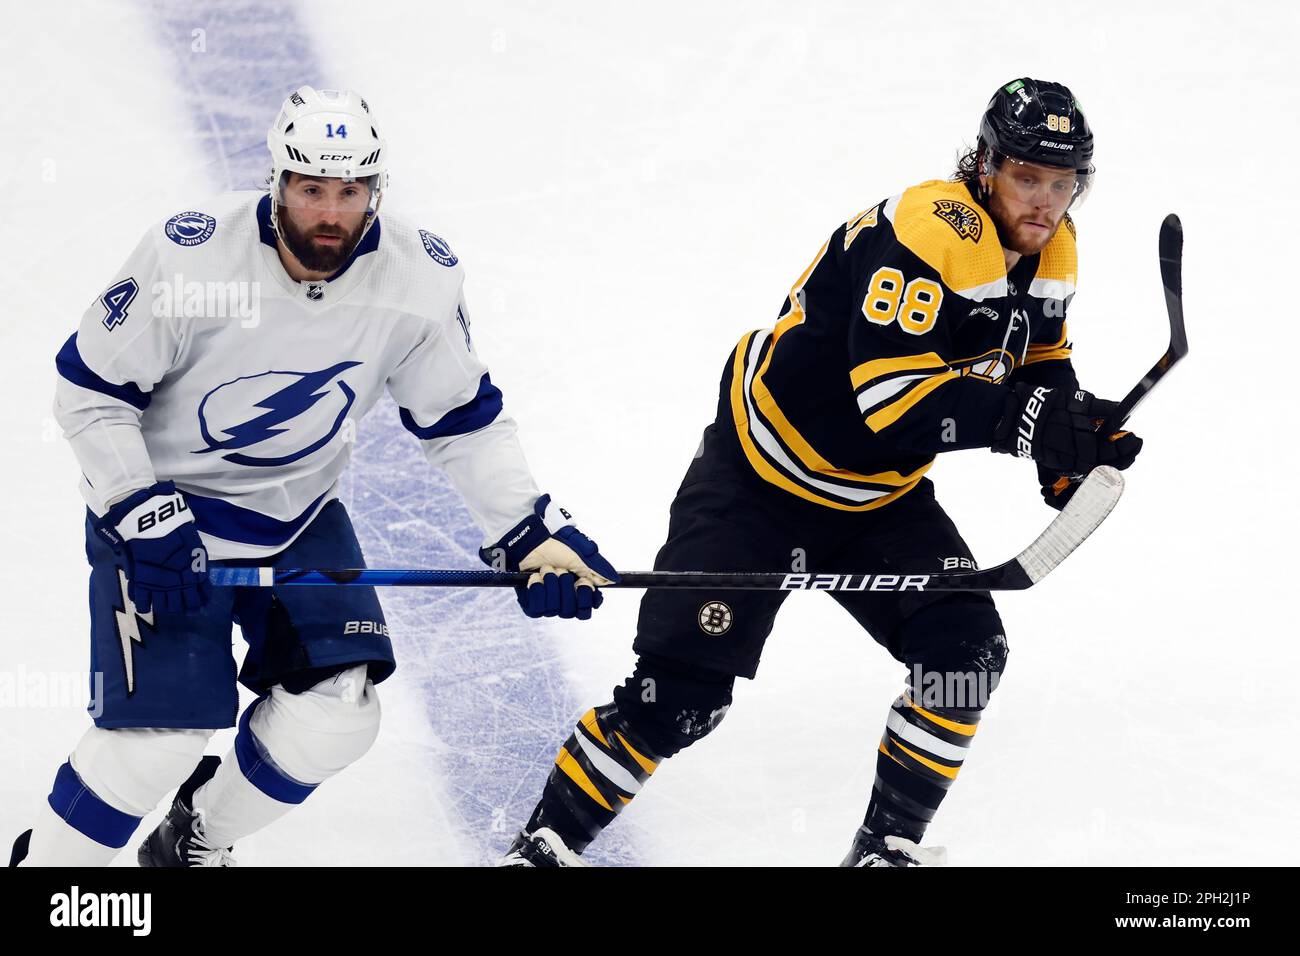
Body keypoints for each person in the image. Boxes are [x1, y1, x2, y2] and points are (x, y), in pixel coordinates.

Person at [503, 78, 1141, 867]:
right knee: (679, 701)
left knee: (963, 656)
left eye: (1062, 181)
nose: (1045, 201)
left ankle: (884, 849)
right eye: (1027, 177)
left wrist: (1069, 451)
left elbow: (1040, 362)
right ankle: (544, 847)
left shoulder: (1055, 246)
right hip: (758, 483)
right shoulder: (931, 231)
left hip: (877, 501)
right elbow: (892, 402)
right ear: (985, 165)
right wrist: (1028, 424)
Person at [10, 86, 616, 867]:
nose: (329, 212)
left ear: (376, 191)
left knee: (337, 716)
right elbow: (91, 393)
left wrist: (531, 530)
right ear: (278, 182)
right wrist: (137, 509)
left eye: (350, 191)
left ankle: (194, 841)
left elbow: (462, 418)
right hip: (165, 519)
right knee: (155, 744)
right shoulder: (191, 256)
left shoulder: (417, 280)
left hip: (298, 514)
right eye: (310, 189)